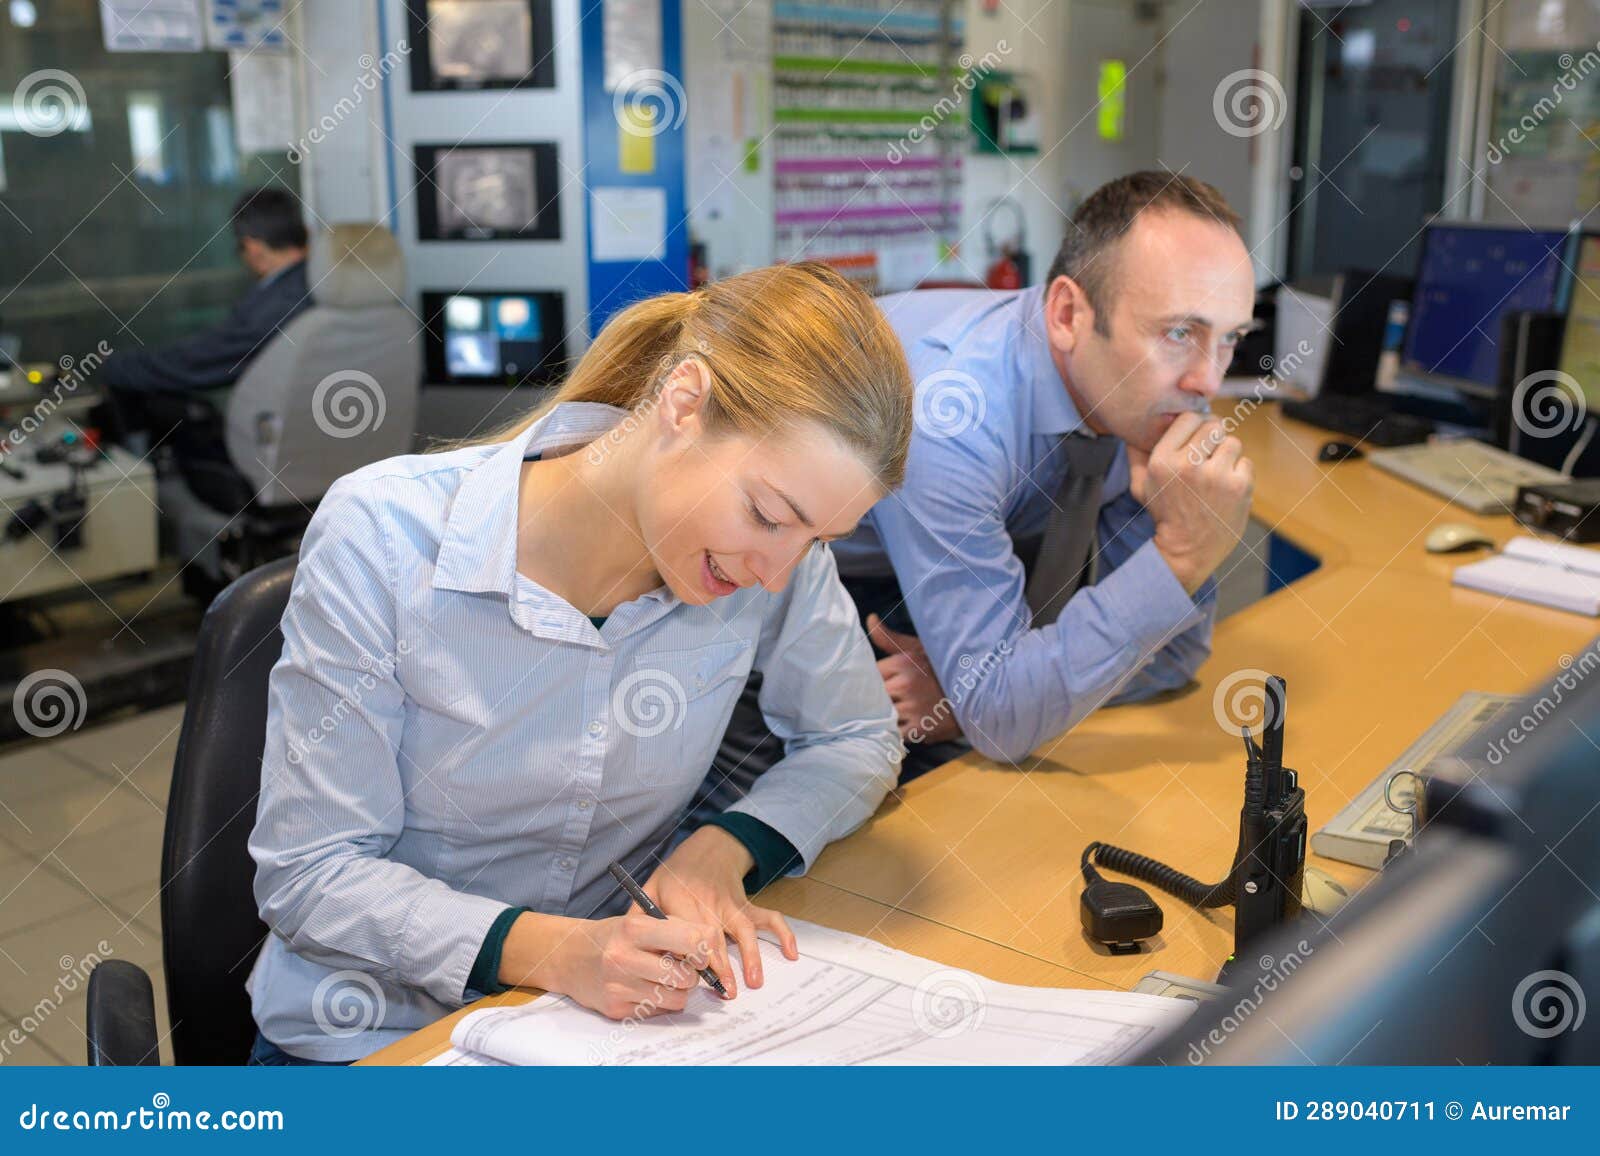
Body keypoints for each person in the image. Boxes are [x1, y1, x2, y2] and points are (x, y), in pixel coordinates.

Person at [244, 263, 912, 1064]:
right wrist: (558, 953)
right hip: (377, 1035)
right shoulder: (382, 536)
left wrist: (721, 849)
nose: (777, 570)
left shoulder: (773, 564)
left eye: (815, 540)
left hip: (599, 1030)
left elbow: (857, 737)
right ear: (684, 403)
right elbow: (311, 874)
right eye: (768, 516)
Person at [698, 171, 1257, 809]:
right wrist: (1183, 554)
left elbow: (1173, 653)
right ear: (1069, 314)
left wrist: (982, 698)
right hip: (766, 581)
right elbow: (1007, 713)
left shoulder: (1145, 404)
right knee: (801, 844)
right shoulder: (954, 415)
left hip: (939, 571)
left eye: (1231, 338)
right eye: (1178, 333)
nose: (1207, 382)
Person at [100, 187, 311, 448]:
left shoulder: (279, 304)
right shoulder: (319, 286)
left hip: (275, 445)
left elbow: (195, 363)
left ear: (252, 248)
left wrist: (113, 367)